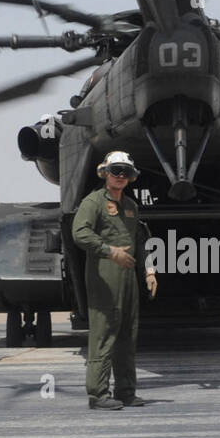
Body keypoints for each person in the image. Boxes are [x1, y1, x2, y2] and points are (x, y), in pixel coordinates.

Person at [70, 150, 157, 409]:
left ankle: (126, 391)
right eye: (115, 171)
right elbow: (80, 233)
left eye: (125, 172)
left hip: (128, 278)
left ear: (131, 177)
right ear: (105, 173)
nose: (120, 176)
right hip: (104, 277)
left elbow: (140, 240)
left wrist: (149, 271)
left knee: (127, 335)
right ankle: (98, 394)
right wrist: (109, 251)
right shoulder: (93, 202)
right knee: (104, 333)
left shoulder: (131, 207)